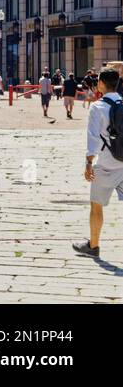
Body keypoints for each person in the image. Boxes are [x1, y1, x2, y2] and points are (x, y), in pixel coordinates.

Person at [73, 66, 123, 258]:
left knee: (96, 205)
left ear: (101, 83)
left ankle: (93, 246)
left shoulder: (98, 106)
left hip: (107, 164)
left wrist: (88, 163)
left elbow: (93, 137)